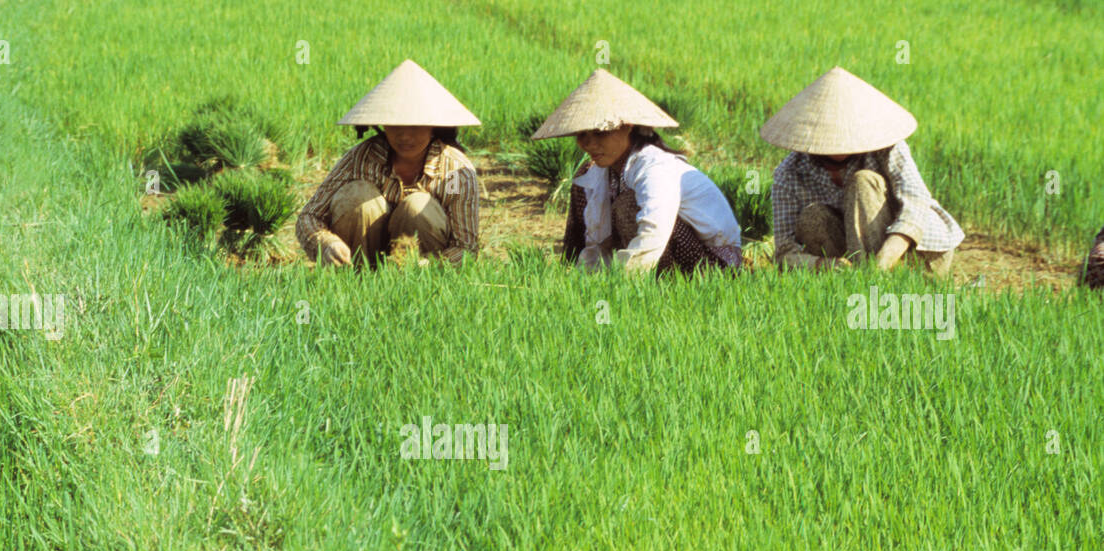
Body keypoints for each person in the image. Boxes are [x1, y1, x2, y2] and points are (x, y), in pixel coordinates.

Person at [532, 69, 742, 274]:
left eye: (598, 133)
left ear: (628, 126)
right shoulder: (601, 173)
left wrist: (622, 284)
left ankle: (662, 286)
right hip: (663, 251)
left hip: (713, 264)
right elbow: (598, 240)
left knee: (627, 206)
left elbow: (654, 233)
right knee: (583, 181)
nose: (588, 144)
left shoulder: (655, 167)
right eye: (581, 134)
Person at [761, 66, 963, 276]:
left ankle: (877, 279)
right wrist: (825, 265)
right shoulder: (789, 172)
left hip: (917, 255)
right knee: (814, 217)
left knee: (863, 182)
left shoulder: (887, 147)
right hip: (852, 252)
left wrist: (882, 263)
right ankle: (859, 280)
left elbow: (916, 204)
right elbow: (784, 252)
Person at [296, 60, 481, 267]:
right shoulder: (362, 158)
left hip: (422, 273)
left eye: (415, 126)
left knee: (417, 207)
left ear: (433, 127)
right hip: (358, 262)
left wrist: (428, 266)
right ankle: (357, 279)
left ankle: (410, 283)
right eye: (395, 125)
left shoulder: (456, 171)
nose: (404, 136)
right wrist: (327, 244)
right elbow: (309, 216)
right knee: (358, 195)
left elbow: (466, 247)